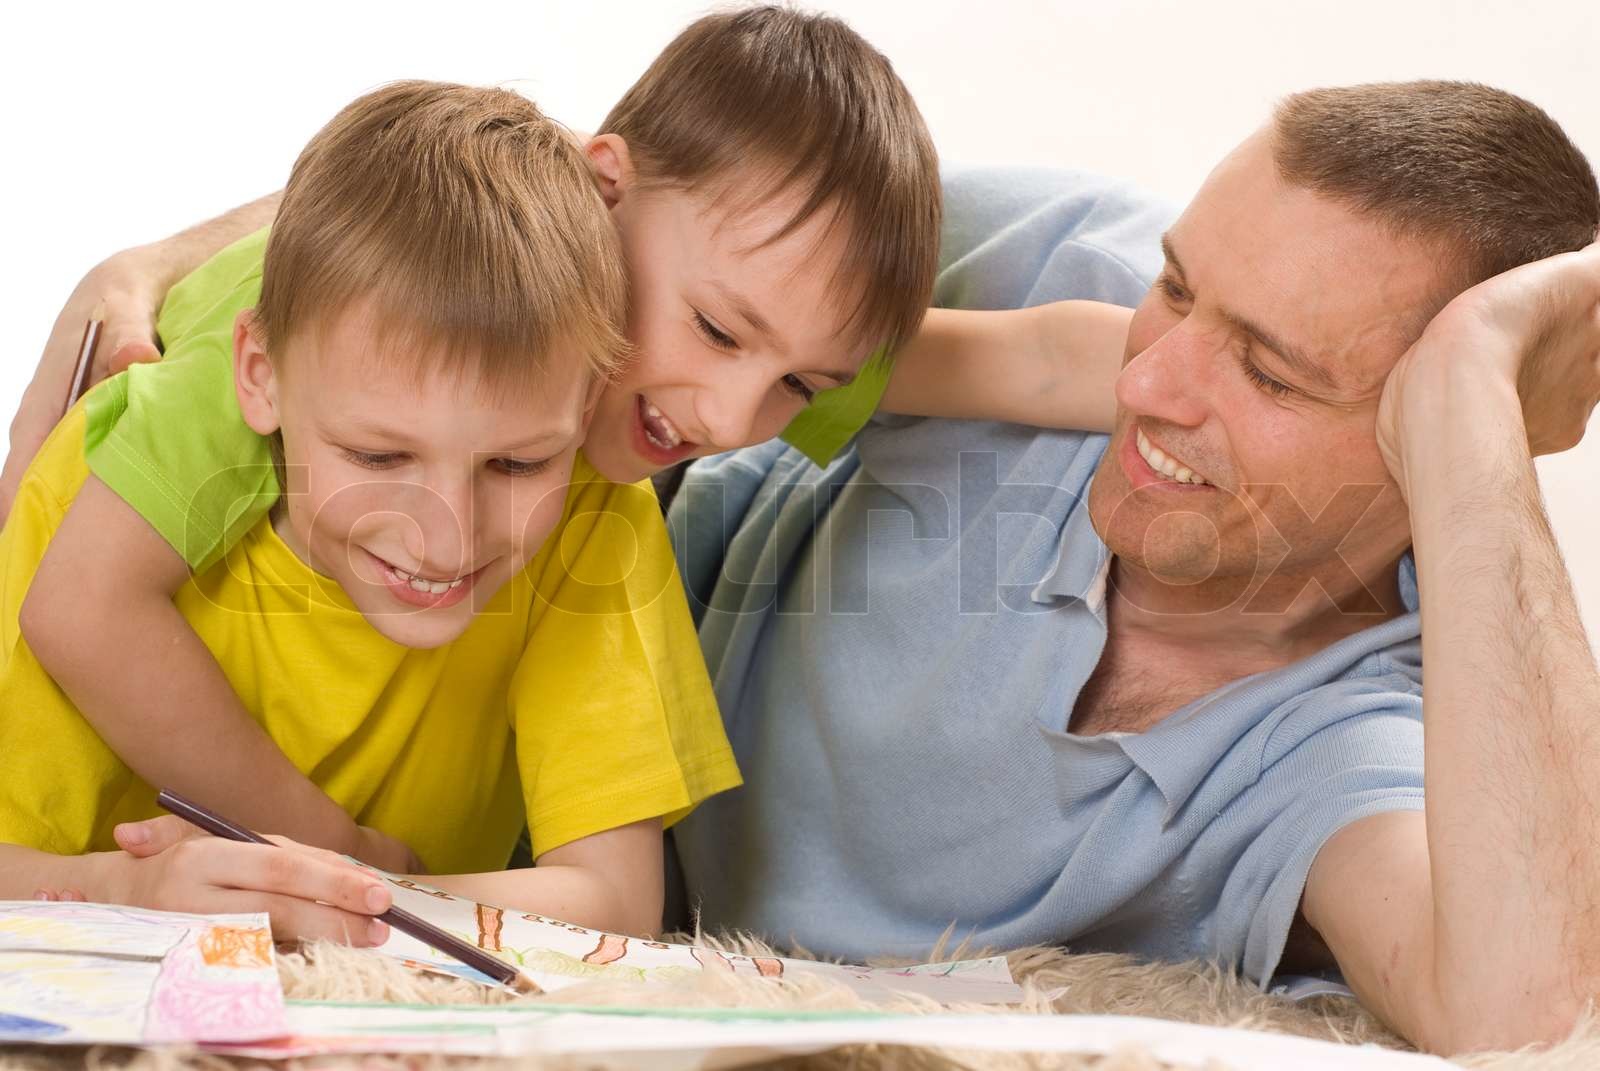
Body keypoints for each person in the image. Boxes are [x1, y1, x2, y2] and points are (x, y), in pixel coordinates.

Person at [666, 81, 1600, 1054]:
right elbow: (599, 235)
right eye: (1177, 289)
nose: (1140, 383)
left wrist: (1474, 383)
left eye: (1270, 374)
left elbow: (1537, 1021)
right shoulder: (1048, 258)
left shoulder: (1342, 741)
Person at [0, 6, 945, 869]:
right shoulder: (276, 340)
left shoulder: (690, 399)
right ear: (605, 186)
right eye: (716, 330)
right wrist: (334, 856)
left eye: (519, 459)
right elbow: (82, 608)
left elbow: (992, 360)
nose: (733, 424)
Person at [0, 80, 743, 943]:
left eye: (516, 462)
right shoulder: (96, 485)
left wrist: (318, 890)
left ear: (586, 411)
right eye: (380, 456)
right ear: (259, 374)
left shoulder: (594, 522)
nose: (445, 536)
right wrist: (125, 888)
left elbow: (613, 905)